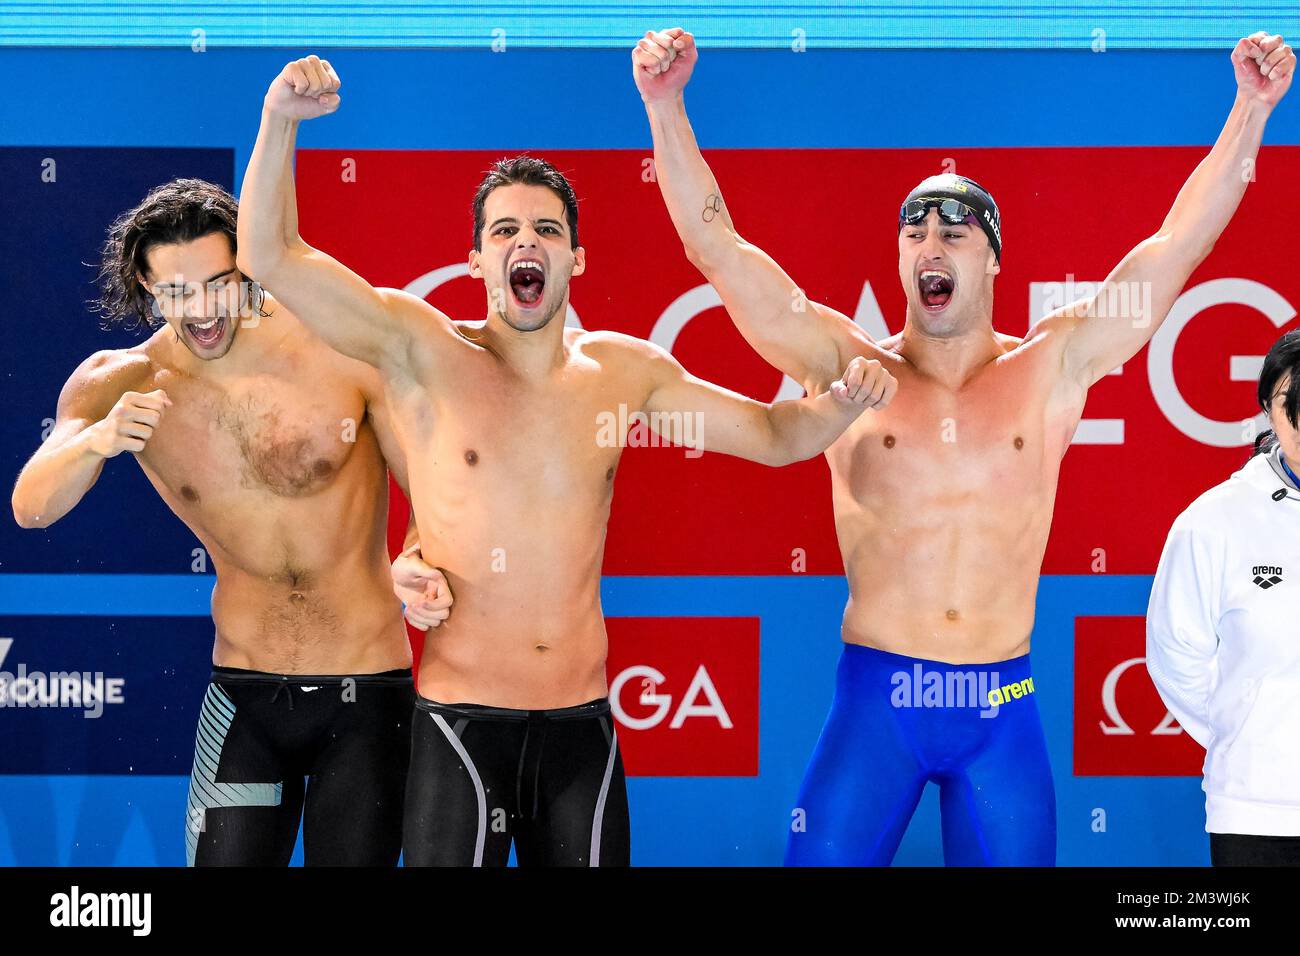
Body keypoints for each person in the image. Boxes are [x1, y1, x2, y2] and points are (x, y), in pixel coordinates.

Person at [634, 26, 1294, 865]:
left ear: (992, 262)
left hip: (1000, 705)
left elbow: (1178, 245)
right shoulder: (841, 361)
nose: (931, 244)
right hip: (877, 701)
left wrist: (1249, 108)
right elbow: (716, 250)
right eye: (915, 231)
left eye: (955, 231)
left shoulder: (1054, 364)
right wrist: (665, 107)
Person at [237, 55, 897, 866]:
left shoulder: (621, 374)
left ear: (576, 261)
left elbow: (773, 435)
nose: (527, 243)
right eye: (504, 230)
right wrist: (279, 121)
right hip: (458, 727)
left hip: (582, 731)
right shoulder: (419, 349)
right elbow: (269, 254)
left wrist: (844, 401)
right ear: (475, 261)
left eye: (548, 230)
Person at [9, 179, 450, 866]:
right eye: (178, 292)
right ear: (146, 287)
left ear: (248, 268)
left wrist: (418, 556)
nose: (203, 309)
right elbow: (32, 507)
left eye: (219, 283)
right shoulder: (122, 381)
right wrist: (95, 441)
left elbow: (431, 483)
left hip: (366, 693)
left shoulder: (340, 350)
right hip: (244, 698)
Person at [1147, 329, 1300, 867]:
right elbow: (1174, 654)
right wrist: (1245, 728)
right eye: (1290, 401)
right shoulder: (1212, 522)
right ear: (1266, 409)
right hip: (1256, 814)